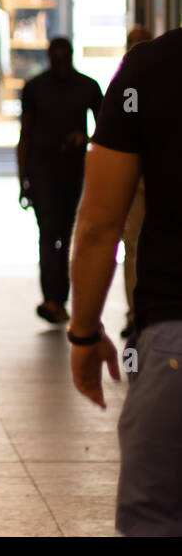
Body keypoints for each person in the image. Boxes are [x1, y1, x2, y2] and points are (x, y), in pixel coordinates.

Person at [67, 27, 182, 534]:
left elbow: (98, 226)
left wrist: (84, 334)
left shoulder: (151, 68)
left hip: (175, 334)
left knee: (157, 518)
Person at [17, 37, 103, 325]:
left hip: (73, 171)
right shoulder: (35, 88)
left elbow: (106, 131)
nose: (61, 64)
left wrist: (85, 138)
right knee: (50, 234)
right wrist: (23, 179)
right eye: (57, 60)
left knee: (65, 236)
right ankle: (52, 299)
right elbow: (25, 135)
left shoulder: (88, 87)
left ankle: (58, 299)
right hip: (43, 171)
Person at [119, 25, 152, 338]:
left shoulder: (167, 78)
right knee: (133, 246)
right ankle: (134, 313)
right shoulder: (124, 84)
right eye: (133, 43)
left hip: (164, 175)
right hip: (135, 177)